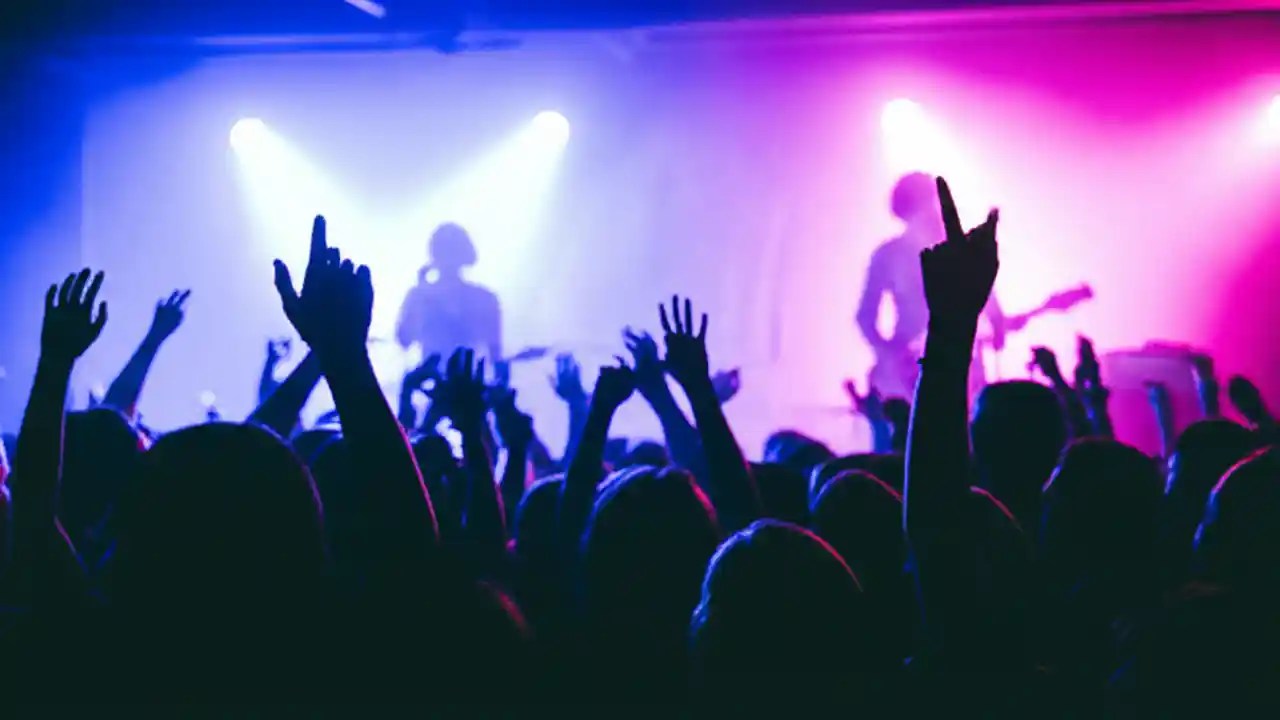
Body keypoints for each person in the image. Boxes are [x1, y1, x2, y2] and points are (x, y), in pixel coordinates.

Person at [857, 172, 1005, 397]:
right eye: (927, 200)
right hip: (909, 369)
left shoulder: (959, 249)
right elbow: (865, 318)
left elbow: (988, 301)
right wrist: (891, 357)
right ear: (909, 210)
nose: (935, 209)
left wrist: (998, 324)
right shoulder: (888, 255)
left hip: (962, 363)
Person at [395, 223, 503, 363]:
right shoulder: (484, 298)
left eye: (452, 250)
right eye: (444, 250)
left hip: (465, 381)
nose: (448, 257)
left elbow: (495, 353)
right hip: (433, 380)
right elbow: (404, 339)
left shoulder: (484, 299)